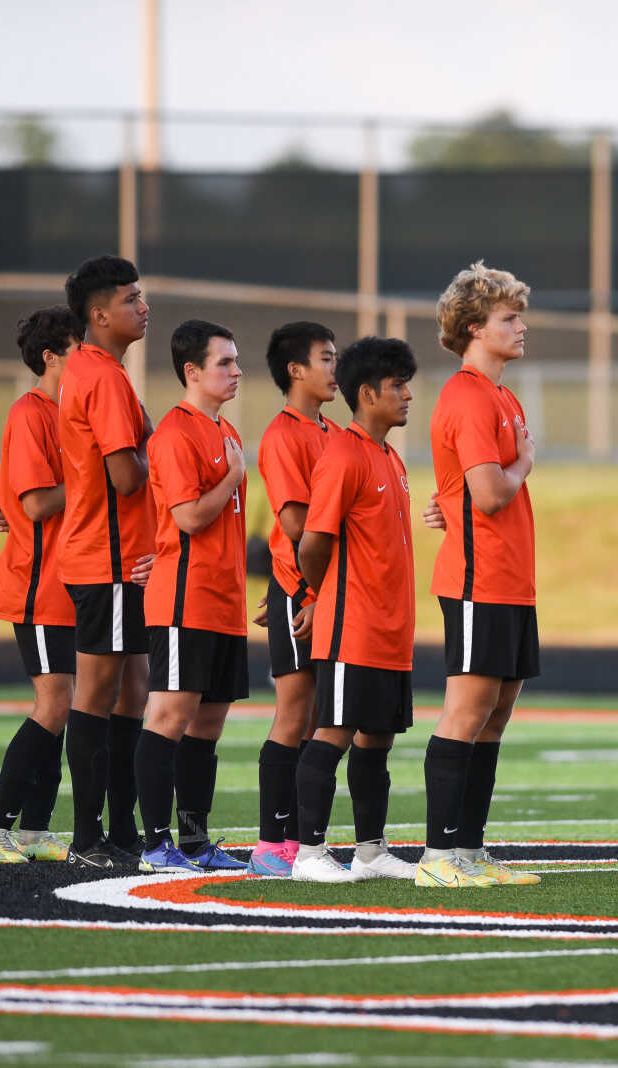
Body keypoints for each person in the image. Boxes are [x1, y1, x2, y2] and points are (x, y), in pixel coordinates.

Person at [417, 261, 541, 889]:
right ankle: (439, 858)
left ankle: (467, 850)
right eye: (508, 318)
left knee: (496, 713)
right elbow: (490, 495)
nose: (521, 327)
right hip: (476, 577)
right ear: (473, 327)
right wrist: (522, 464)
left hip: (510, 578)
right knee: (466, 710)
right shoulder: (466, 395)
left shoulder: (502, 395)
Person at [289, 336, 420, 883]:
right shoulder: (342, 452)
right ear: (368, 394)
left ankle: (370, 850)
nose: (409, 395)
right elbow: (313, 542)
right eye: (398, 386)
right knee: (334, 732)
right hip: (354, 625)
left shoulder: (388, 454)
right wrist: (323, 597)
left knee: (377, 740)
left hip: (392, 629)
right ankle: (309, 854)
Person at [130, 320, 251, 872]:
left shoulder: (226, 432)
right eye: (224, 362)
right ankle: (156, 845)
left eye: (235, 361)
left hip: (223, 601)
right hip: (185, 599)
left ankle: (196, 844)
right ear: (192, 371)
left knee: (207, 726)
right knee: (168, 717)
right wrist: (230, 478)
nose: (235, 371)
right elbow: (189, 516)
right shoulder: (176, 433)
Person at [0, 306, 82, 863]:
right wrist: (95, 477)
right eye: (78, 348)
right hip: (40, 586)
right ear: (50, 357)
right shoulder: (30, 413)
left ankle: (34, 829)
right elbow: (36, 503)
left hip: (75, 582)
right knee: (53, 703)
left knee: (64, 704)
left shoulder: (75, 412)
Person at [57, 255, 156, 867]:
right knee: (96, 696)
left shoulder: (95, 370)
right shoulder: (103, 376)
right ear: (99, 315)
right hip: (108, 559)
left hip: (114, 557)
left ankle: (121, 829)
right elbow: (125, 476)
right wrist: (163, 458)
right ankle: (87, 837)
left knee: (132, 691)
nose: (143, 307)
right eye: (131, 299)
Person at [247, 322, 341, 876]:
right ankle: (270, 845)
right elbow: (298, 524)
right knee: (294, 714)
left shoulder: (332, 432)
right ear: (295, 370)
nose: (336, 368)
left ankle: (304, 843)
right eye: (326, 358)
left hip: (324, 593)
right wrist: (306, 595)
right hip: (302, 590)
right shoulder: (284, 435)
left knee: (316, 717)